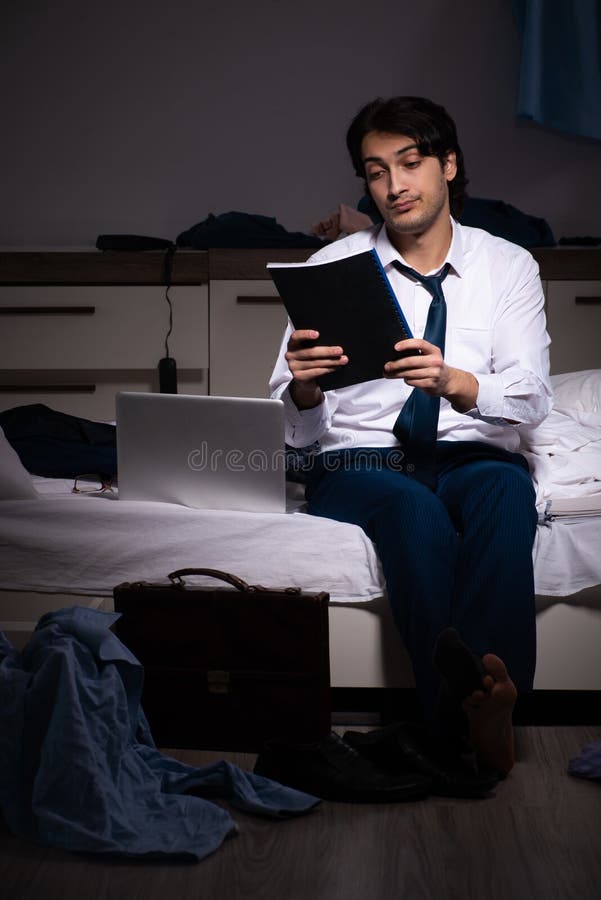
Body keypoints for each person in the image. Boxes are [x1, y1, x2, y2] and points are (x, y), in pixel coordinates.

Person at [269, 96, 553, 777]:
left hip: (470, 452)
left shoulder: (507, 266)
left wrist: (456, 382)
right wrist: (304, 388)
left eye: (409, 163)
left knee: (502, 498)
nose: (393, 186)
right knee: (413, 512)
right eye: (374, 172)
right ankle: (469, 720)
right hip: (361, 461)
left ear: (448, 166)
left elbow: (532, 400)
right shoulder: (333, 265)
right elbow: (292, 432)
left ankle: (472, 708)